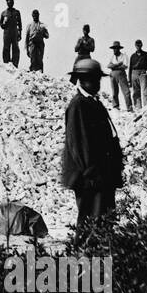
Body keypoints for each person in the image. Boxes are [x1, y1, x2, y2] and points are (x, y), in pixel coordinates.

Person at [61, 59, 123, 247]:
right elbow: (78, 144)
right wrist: (91, 173)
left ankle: (99, 262)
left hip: (101, 175)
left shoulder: (93, 102)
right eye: (92, 79)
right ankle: (83, 262)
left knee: (103, 221)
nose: (96, 83)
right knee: (90, 222)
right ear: (81, 80)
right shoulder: (78, 105)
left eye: (97, 79)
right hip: (91, 177)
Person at [106, 41, 133, 112]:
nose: (114, 50)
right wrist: (118, 64)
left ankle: (129, 107)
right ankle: (115, 106)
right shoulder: (112, 57)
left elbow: (125, 66)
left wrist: (114, 66)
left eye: (116, 48)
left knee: (126, 91)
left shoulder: (124, 56)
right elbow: (108, 65)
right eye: (113, 49)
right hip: (112, 75)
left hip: (121, 74)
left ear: (119, 49)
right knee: (114, 91)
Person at [129, 39, 147, 108]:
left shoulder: (146, 54)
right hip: (134, 74)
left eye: (139, 45)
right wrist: (129, 80)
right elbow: (130, 68)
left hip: (142, 73)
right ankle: (138, 107)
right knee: (136, 92)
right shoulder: (132, 56)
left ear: (141, 45)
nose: (138, 46)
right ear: (135, 46)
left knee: (145, 91)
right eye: (137, 45)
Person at [0, 0, 22, 67]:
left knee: (15, 48)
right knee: (6, 47)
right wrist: (2, 25)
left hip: (14, 32)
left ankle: (15, 64)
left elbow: (20, 24)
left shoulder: (17, 12)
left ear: (13, 3)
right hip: (7, 32)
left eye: (11, 3)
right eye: (8, 3)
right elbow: (0, 22)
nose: (10, 4)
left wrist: (19, 33)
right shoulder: (4, 13)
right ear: (7, 4)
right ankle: (6, 62)